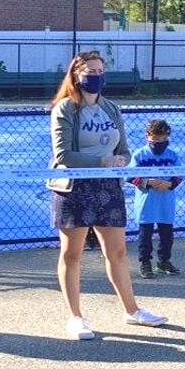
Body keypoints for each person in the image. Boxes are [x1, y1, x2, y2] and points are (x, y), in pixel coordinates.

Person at [47, 50, 167, 340]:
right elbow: (63, 154)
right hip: (74, 188)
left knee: (117, 252)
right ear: (76, 74)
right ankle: (76, 317)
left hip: (108, 188)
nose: (96, 76)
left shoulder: (111, 109)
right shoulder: (65, 109)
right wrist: (100, 161)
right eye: (90, 71)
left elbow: (124, 150)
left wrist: (119, 161)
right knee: (72, 254)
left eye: (100, 70)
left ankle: (132, 310)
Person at [129, 119, 182, 279]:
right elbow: (129, 176)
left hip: (166, 200)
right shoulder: (140, 155)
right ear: (147, 136)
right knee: (145, 235)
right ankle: (145, 263)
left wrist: (169, 184)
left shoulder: (172, 155)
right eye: (156, 139)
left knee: (167, 235)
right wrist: (147, 182)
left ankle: (164, 261)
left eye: (163, 139)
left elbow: (180, 174)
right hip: (147, 201)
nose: (159, 142)